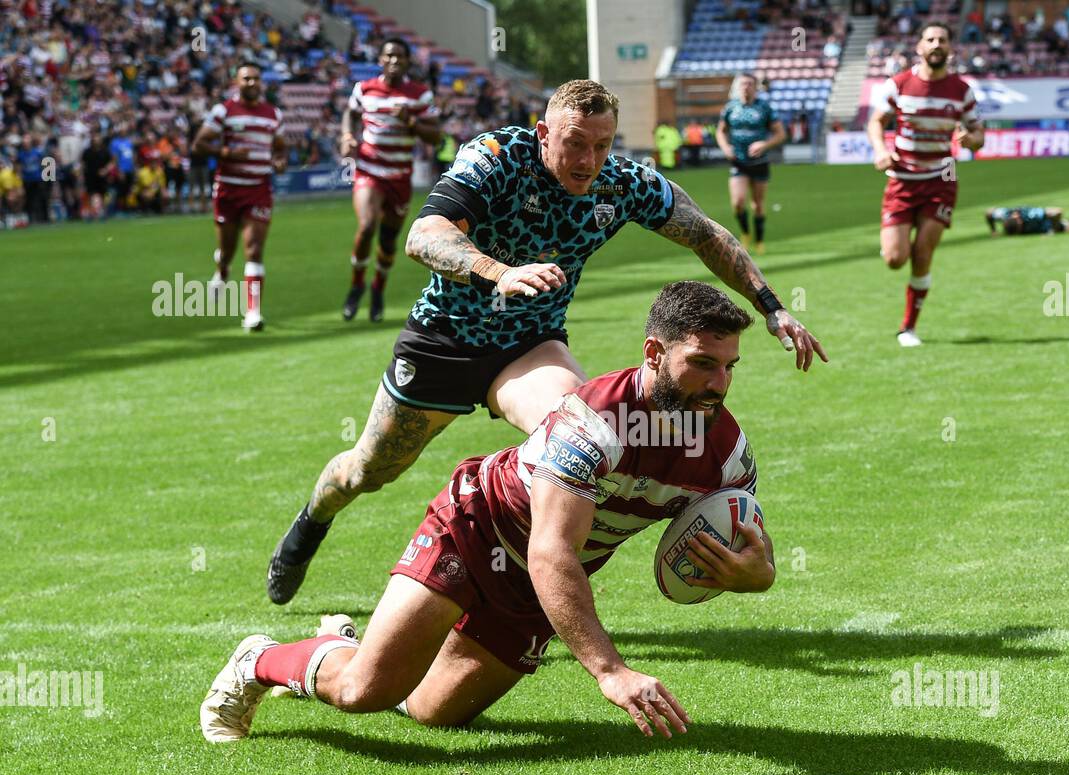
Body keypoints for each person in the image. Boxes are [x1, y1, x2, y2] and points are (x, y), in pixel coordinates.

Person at [264, 79, 825, 606]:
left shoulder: (623, 183)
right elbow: (424, 234)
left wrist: (773, 311)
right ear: (543, 134)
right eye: (575, 144)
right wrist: (497, 271)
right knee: (367, 471)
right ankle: (312, 520)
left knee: (580, 442)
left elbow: (705, 233)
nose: (588, 161)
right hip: (444, 341)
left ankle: (524, 586)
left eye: (601, 146)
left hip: (529, 347)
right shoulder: (497, 157)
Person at [205, 282, 774, 742]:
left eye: (729, 367)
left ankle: (343, 643)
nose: (718, 384)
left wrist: (757, 576)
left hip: (534, 589)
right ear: (654, 353)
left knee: (432, 713)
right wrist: (611, 670)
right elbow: (551, 552)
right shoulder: (592, 423)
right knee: (365, 691)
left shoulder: (726, 453)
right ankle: (259, 659)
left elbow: (753, 544)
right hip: (477, 529)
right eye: (703, 363)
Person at [868, 21, 983, 347]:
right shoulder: (899, 84)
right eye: (930, 39)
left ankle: (908, 328)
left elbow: (978, 134)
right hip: (902, 180)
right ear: (919, 47)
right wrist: (880, 150)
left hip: (941, 179)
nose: (936, 44)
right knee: (895, 259)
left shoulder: (962, 90)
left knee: (923, 253)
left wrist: (971, 138)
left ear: (949, 48)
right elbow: (876, 121)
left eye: (942, 40)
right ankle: (894, 243)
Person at [339, 37, 440, 323]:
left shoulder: (419, 95)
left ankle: (378, 289)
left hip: (399, 176)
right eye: (389, 56)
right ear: (380, 60)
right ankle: (357, 284)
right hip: (369, 170)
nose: (394, 61)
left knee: (388, 240)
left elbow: (435, 135)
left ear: (407, 62)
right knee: (367, 225)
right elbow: (350, 112)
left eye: (400, 57)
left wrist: (410, 121)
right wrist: (347, 136)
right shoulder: (365, 89)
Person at [192, 61, 288, 332]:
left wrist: (280, 161)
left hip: (258, 190)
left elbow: (281, 149)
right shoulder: (224, 111)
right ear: (237, 81)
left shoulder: (273, 115)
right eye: (246, 78)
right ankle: (221, 272)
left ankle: (252, 312)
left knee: (254, 250)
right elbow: (198, 144)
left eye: (255, 78)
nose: (251, 83)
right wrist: (228, 154)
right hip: (228, 190)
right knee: (227, 251)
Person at [717, 73, 785, 254]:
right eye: (742, 84)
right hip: (738, 161)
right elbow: (721, 132)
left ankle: (760, 240)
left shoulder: (765, 108)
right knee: (738, 202)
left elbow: (781, 134)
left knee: (758, 204)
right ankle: (746, 233)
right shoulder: (731, 107)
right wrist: (725, 148)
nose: (745, 87)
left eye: (749, 84)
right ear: (738, 86)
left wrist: (765, 144)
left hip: (759, 161)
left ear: (755, 87)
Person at [986, 205, 1069, 235]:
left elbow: (1057, 211)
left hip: (1047, 224)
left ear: (1020, 222)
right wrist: (993, 230)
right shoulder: (1004, 214)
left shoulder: (1032, 215)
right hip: (1039, 227)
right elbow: (989, 212)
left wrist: (1052, 230)